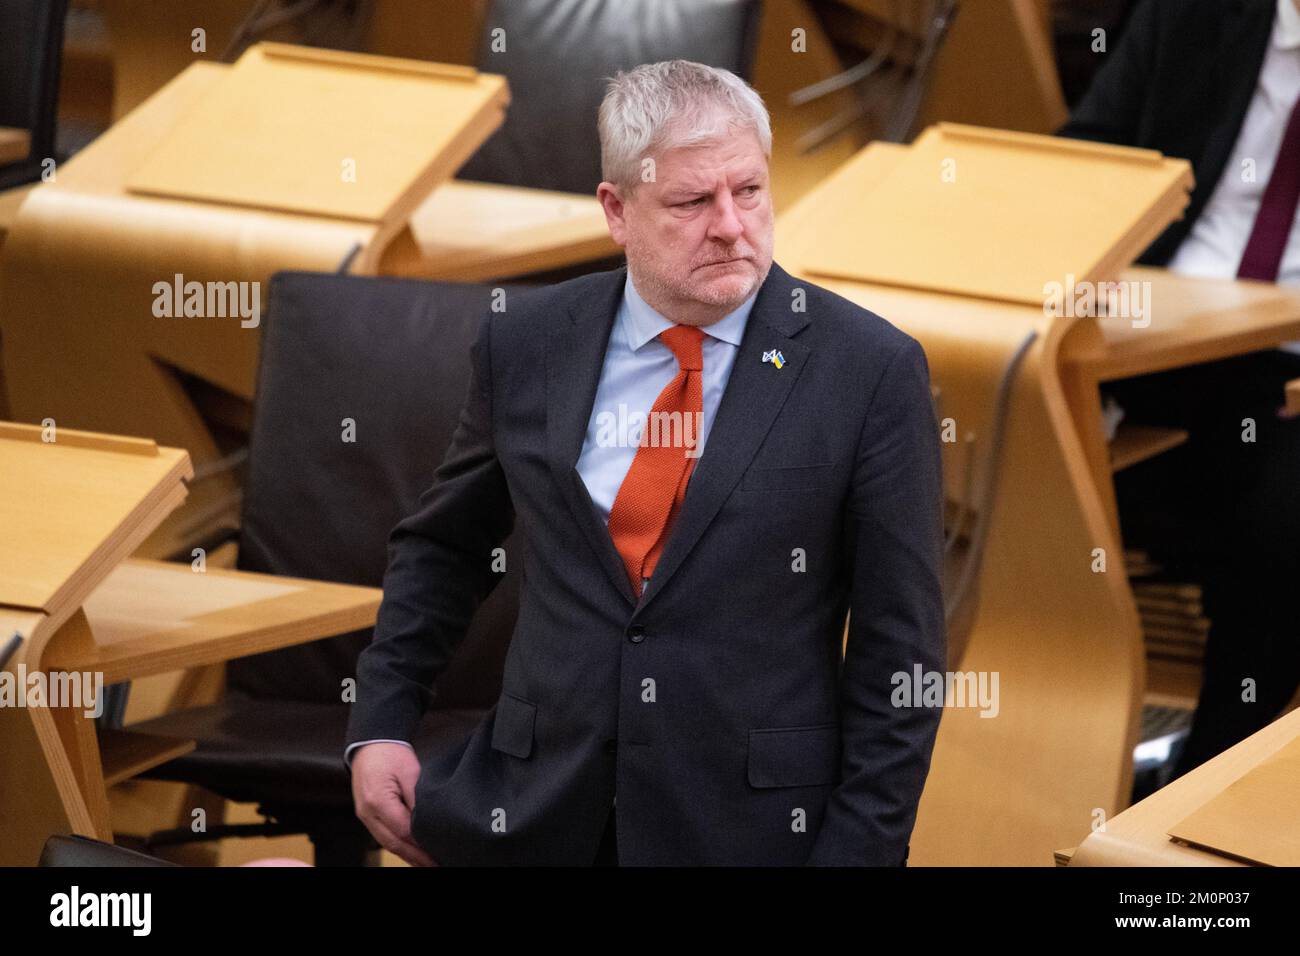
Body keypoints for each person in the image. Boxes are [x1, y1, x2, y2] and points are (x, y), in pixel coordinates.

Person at [345, 59, 945, 866]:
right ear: (617, 210)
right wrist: (380, 721)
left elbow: (900, 654)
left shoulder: (868, 371)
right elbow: (444, 550)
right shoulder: (527, 342)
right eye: (694, 202)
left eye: (751, 192)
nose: (732, 225)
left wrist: (858, 854)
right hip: (532, 813)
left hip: (752, 833)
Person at [1059, 0, 1300, 776]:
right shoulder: (1199, 12)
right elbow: (1080, 165)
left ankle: (1200, 791)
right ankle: (1027, 757)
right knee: (966, 449)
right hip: (1143, 343)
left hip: (1283, 374)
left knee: (1284, 509)